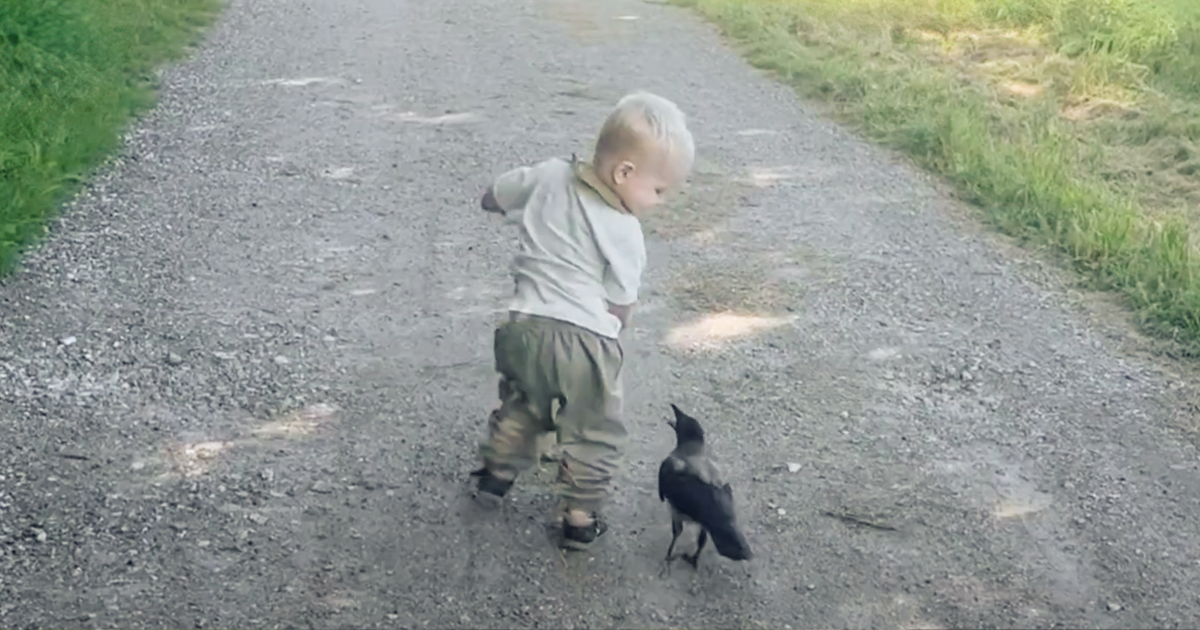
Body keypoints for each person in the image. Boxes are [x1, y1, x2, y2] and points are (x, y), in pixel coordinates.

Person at [469, 90, 695, 551]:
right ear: (624, 172)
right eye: (658, 190)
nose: (660, 202)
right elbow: (621, 302)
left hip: (523, 329)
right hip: (585, 341)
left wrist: (492, 201)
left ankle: (494, 476)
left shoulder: (550, 175)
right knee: (592, 428)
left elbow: (498, 192)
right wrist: (616, 329)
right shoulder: (625, 229)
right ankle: (579, 516)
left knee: (523, 405)